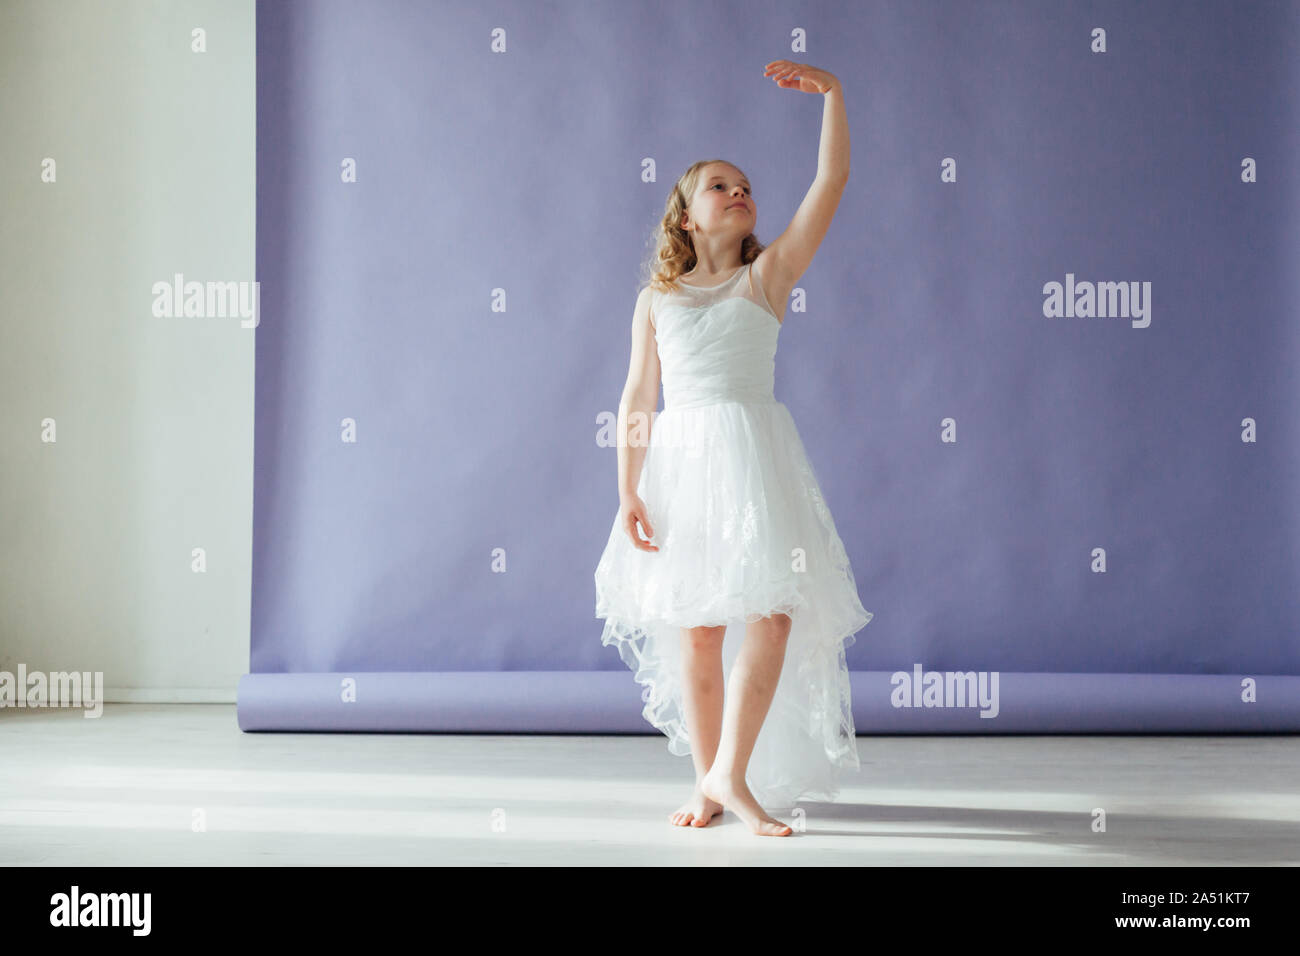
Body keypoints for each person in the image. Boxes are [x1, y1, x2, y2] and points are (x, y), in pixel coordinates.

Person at [594, 61, 872, 837]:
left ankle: (732, 775)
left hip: (754, 460)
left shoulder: (769, 276)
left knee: (772, 614)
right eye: (720, 185)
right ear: (686, 216)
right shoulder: (659, 299)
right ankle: (707, 783)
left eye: (745, 184)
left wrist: (833, 96)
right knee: (698, 627)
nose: (739, 191)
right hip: (683, 466)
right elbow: (638, 398)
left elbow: (835, 179)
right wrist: (628, 490)